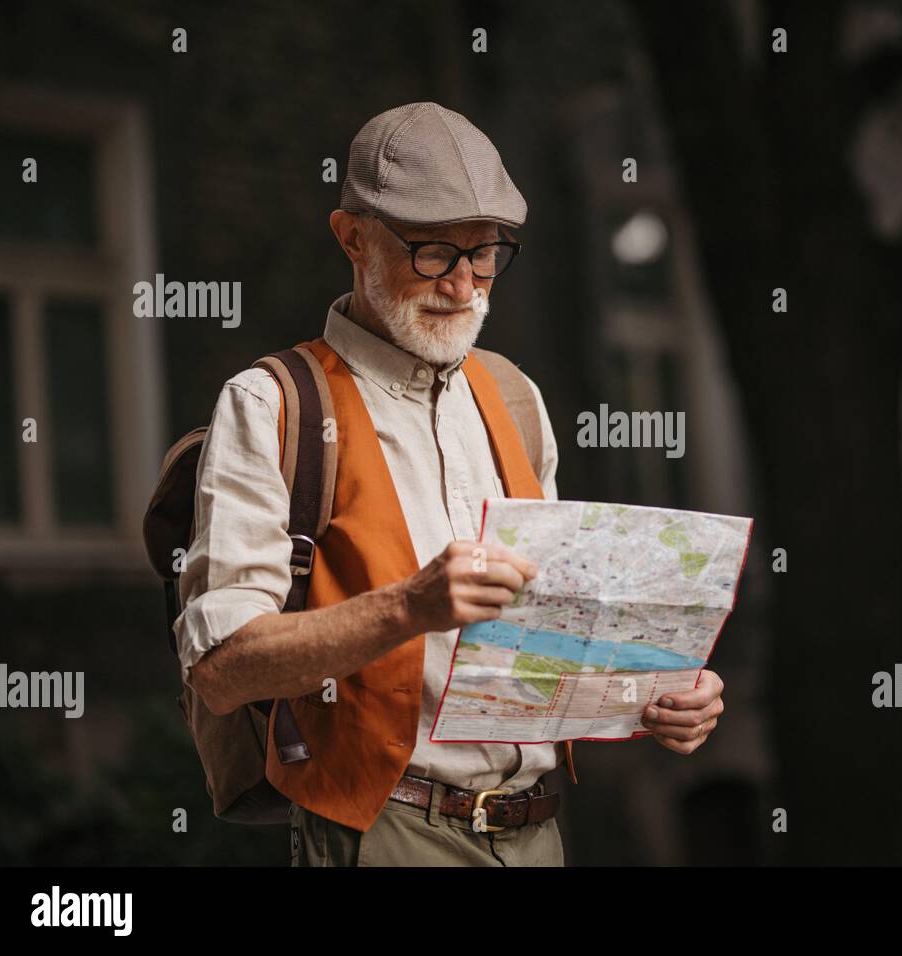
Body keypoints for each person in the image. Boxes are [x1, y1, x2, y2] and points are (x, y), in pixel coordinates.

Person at [175, 103, 726, 866]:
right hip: (384, 830)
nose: (464, 284)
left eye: (487, 252)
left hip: (537, 831)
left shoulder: (517, 399)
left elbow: (552, 643)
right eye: (433, 251)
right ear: (352, 237)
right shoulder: (272, 403)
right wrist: (409, 606)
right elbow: (221, 668)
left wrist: (657, 694)